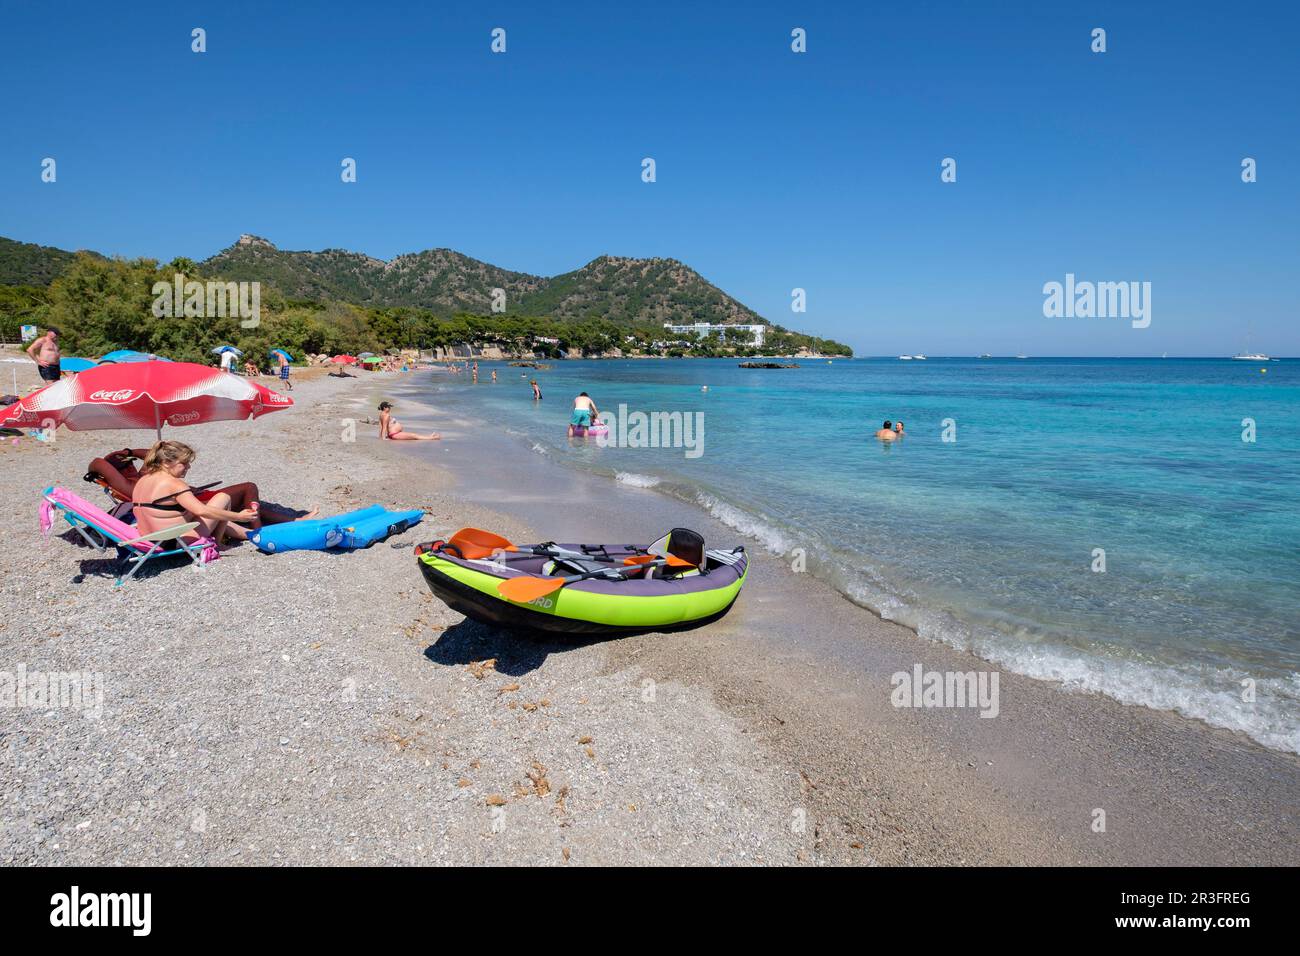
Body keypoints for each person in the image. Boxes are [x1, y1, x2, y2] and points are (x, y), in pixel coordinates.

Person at [88, 447, 317, 524]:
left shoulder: (146, 474)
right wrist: (115, 457)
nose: (131, 465)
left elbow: (154, 453)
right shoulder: (129, 484)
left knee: (243, 501)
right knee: (248, 488)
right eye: (125, 464)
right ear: (118, 469)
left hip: (192, 498)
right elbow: (97, 463)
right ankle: (258, 530)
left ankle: (293, 521)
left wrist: (128, 452)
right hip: (194, 504)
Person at [132, 441, 260, 547]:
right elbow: (202, 511)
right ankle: (218, 544)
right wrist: (239, 516)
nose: (188, 467)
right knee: (223, 498)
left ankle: (252, 534)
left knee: (204, 513)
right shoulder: (174, 484)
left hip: (148, 540)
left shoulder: (143, 480)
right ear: (166, 462)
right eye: (184, 463)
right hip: (172, 542)